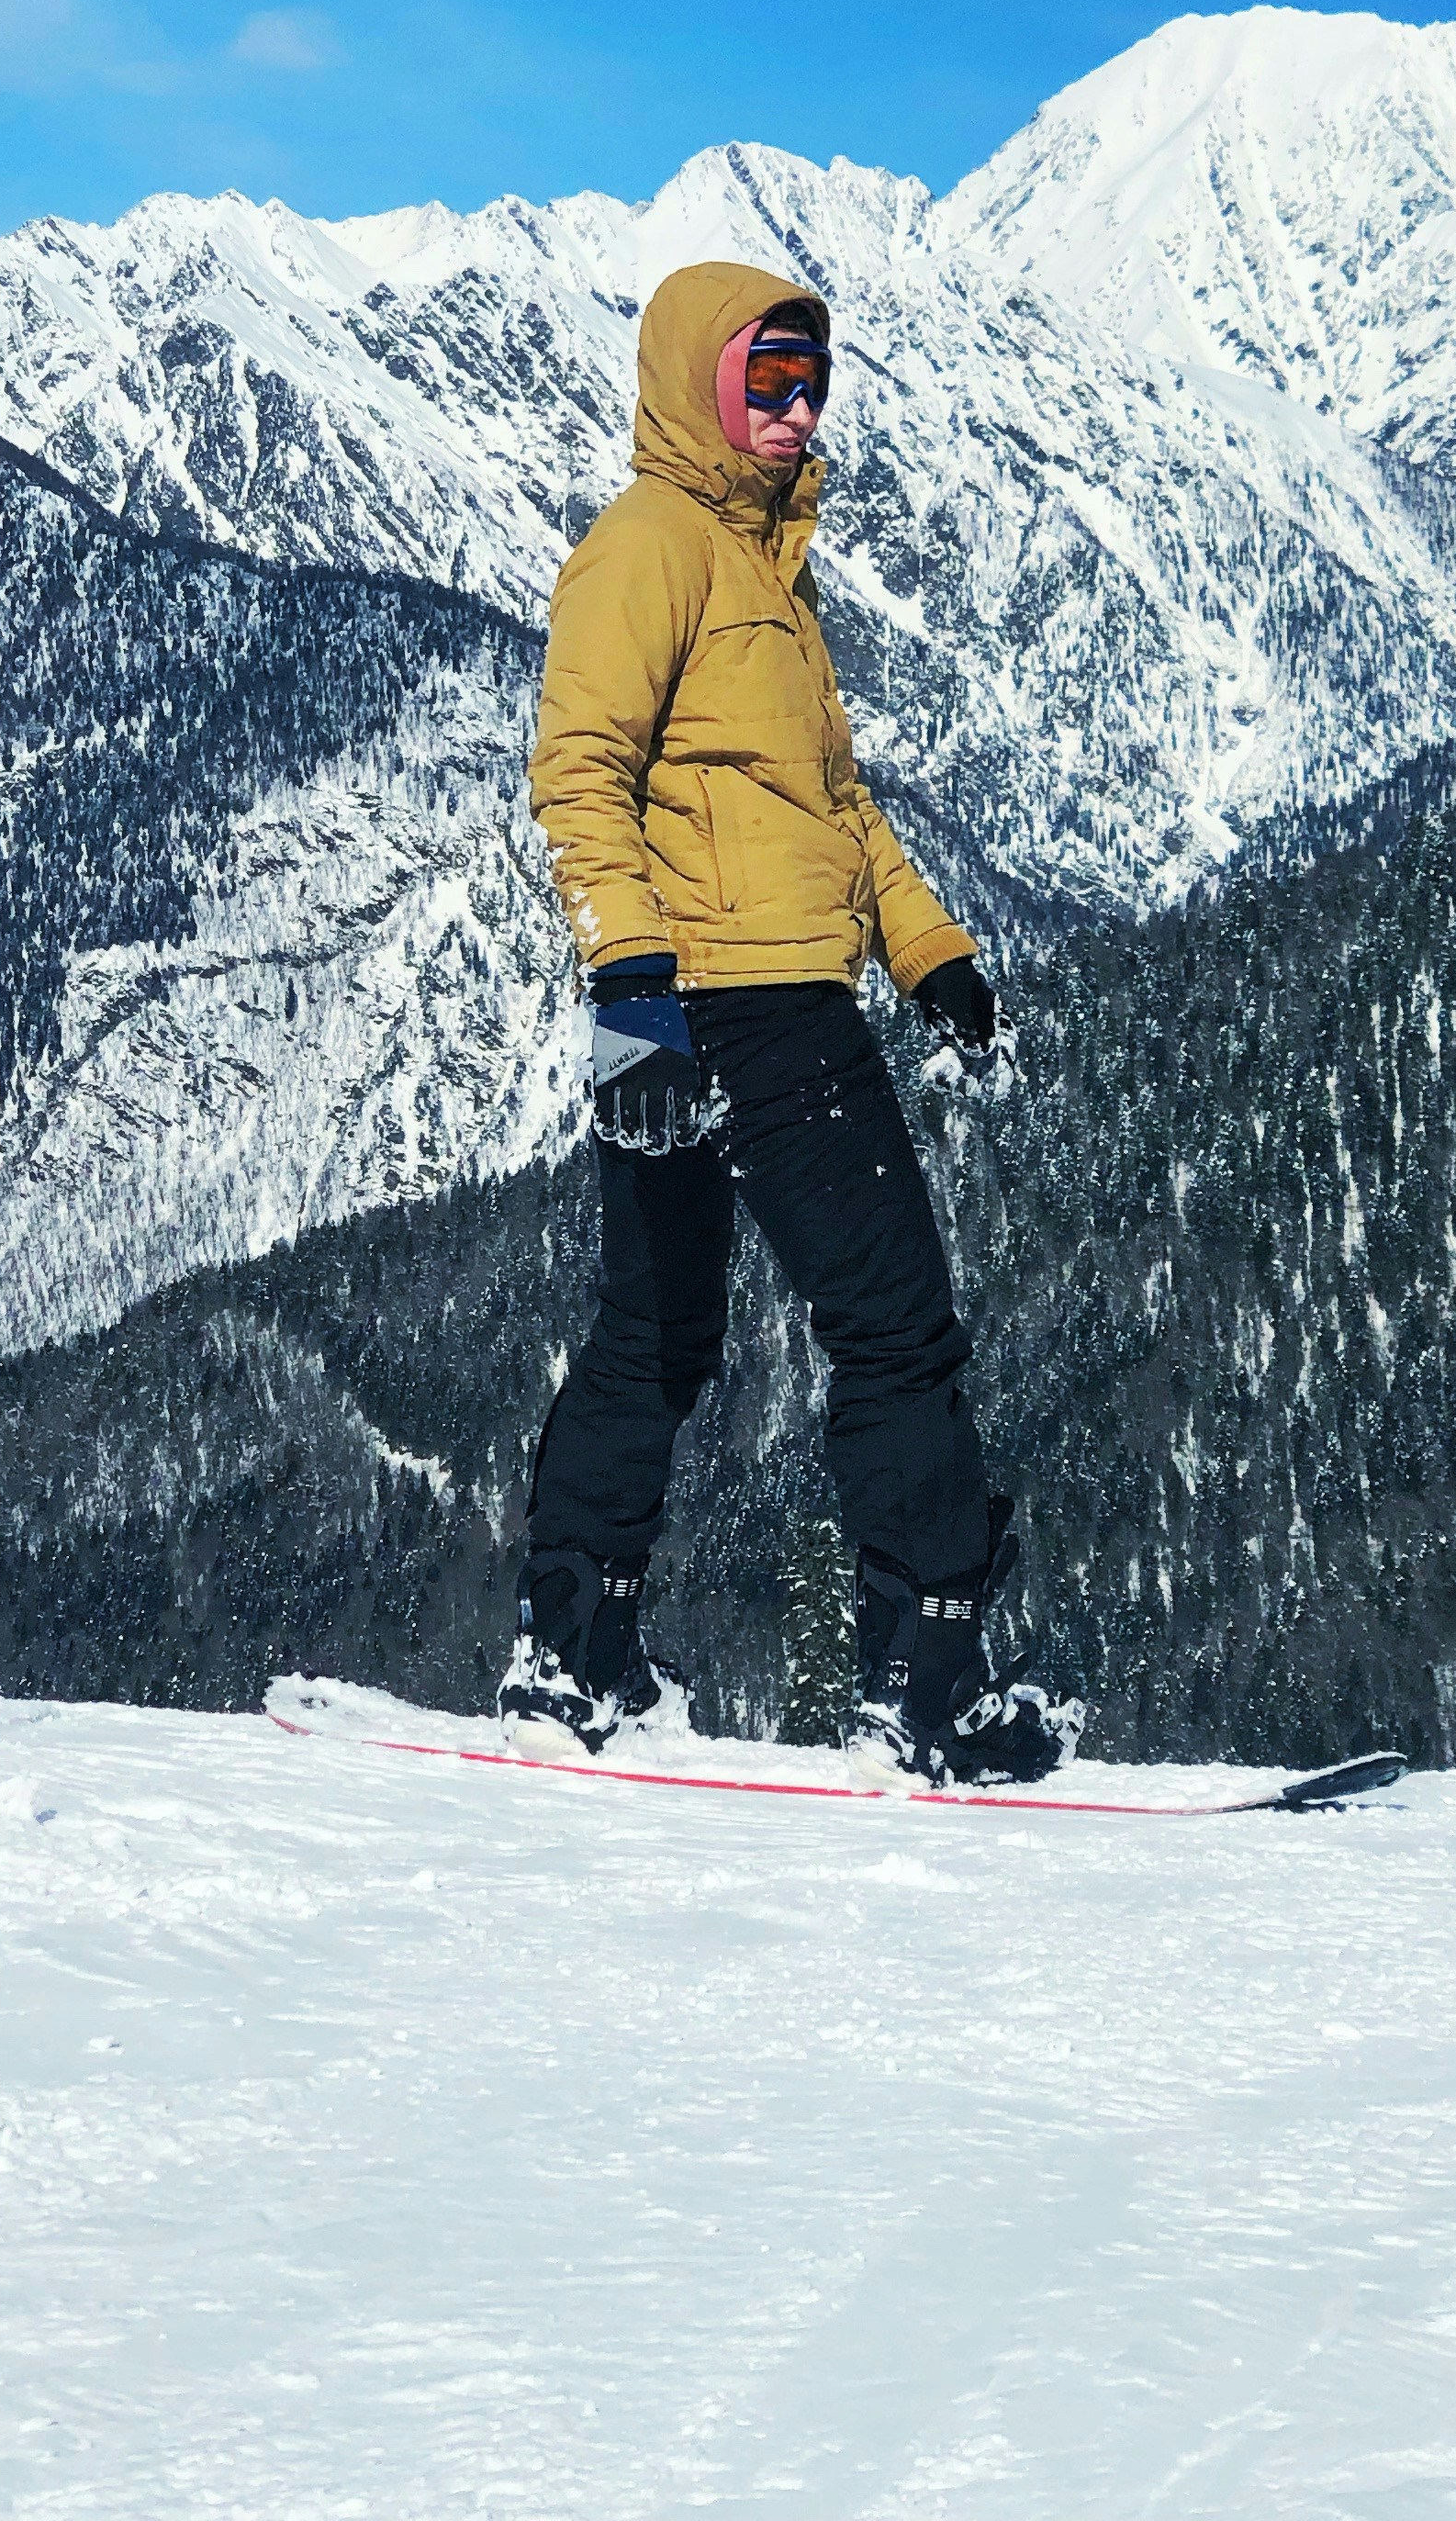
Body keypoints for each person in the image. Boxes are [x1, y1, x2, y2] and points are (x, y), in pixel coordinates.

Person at [507, 257, 1079, 1784]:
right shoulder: (652, 547)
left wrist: (930, 954)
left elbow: (834, 810)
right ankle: (932, 1684)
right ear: (701, 379)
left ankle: (574, 1657)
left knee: (659, 1329)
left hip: (731, 999)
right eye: (767, 380)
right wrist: (630, 987)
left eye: (813, 380)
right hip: (741, 1004)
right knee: (892, 1330)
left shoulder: (770, 571)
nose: (796, 407)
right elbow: (578, 770)